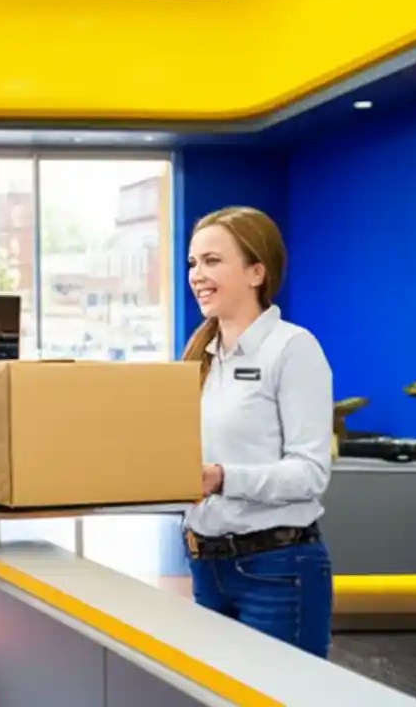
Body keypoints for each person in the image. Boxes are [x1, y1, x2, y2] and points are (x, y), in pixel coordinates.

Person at [179, 206, 335, 658]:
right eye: (193, 263)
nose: (197, 275)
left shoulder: (293, 349)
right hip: (206, 566)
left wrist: (221, 478)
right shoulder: (201, 356)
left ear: (256, 272)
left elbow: (310, 474)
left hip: (277, 569)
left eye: (212, 261)